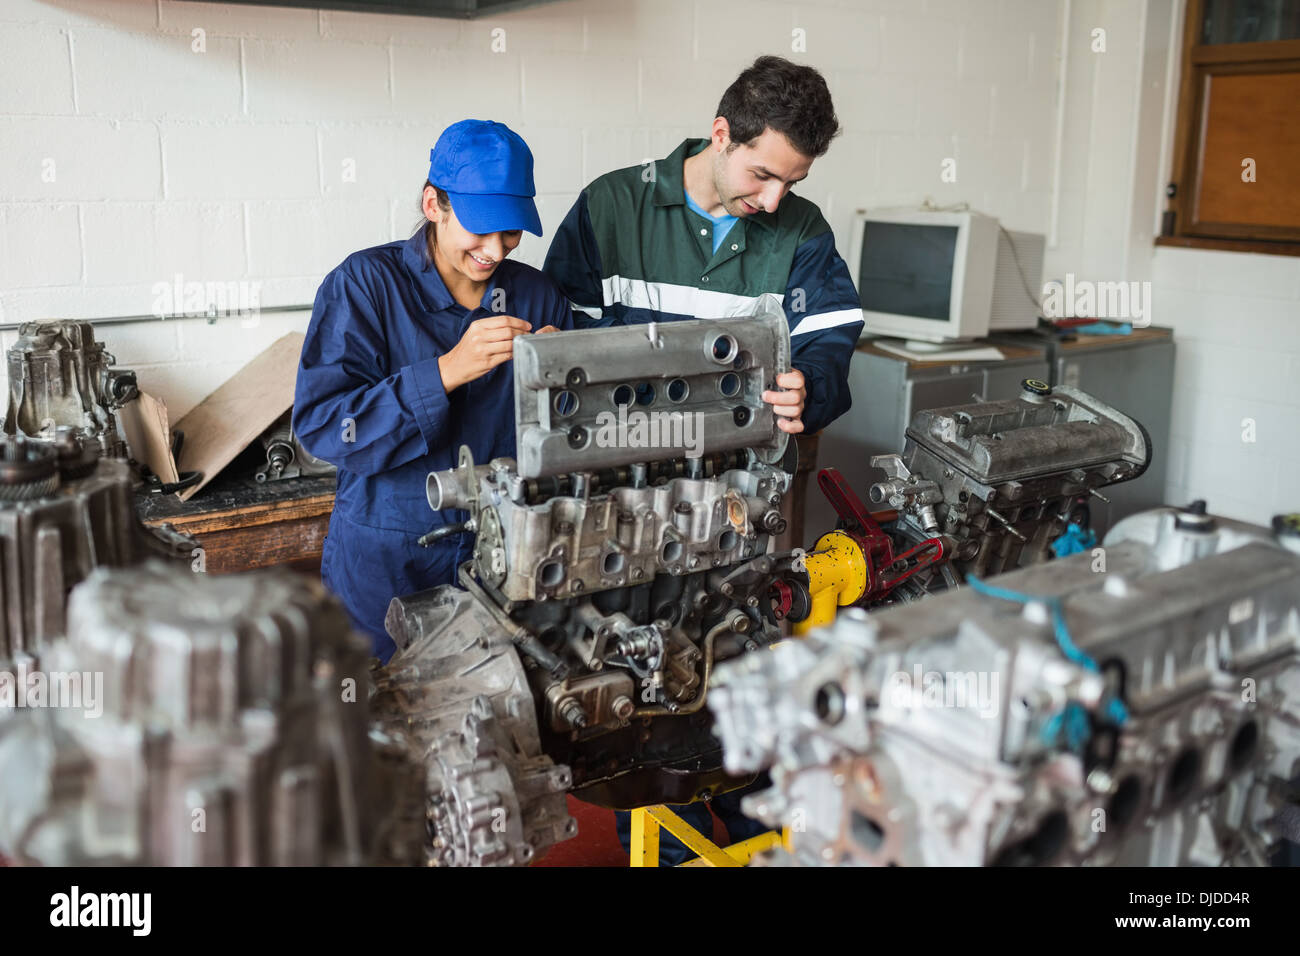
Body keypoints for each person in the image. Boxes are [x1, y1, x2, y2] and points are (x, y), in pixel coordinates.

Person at [543, 55, 864, 863]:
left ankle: (764, 836)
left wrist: (809, 388)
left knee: (750, 671)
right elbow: (557, 352)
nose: (774, 200)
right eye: (761, 175)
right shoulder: (612, 207)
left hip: (743, 510)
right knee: (649, 697)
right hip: (625, 517)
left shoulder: (801, 230)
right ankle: (670, 845)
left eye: (791, 182)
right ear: (720, 135)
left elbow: (832, 342)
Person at [294, 120, 573, 663]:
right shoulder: (363, 286)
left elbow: (568, 434)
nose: (496, 249)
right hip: (386, 564)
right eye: (481, 228)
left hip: (505, 553)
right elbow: (326, 426)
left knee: (499, 719)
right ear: (433, 204)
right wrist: (445, 372)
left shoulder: (538, 296)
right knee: (383, 722)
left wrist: (566, 375)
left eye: (512, 230)